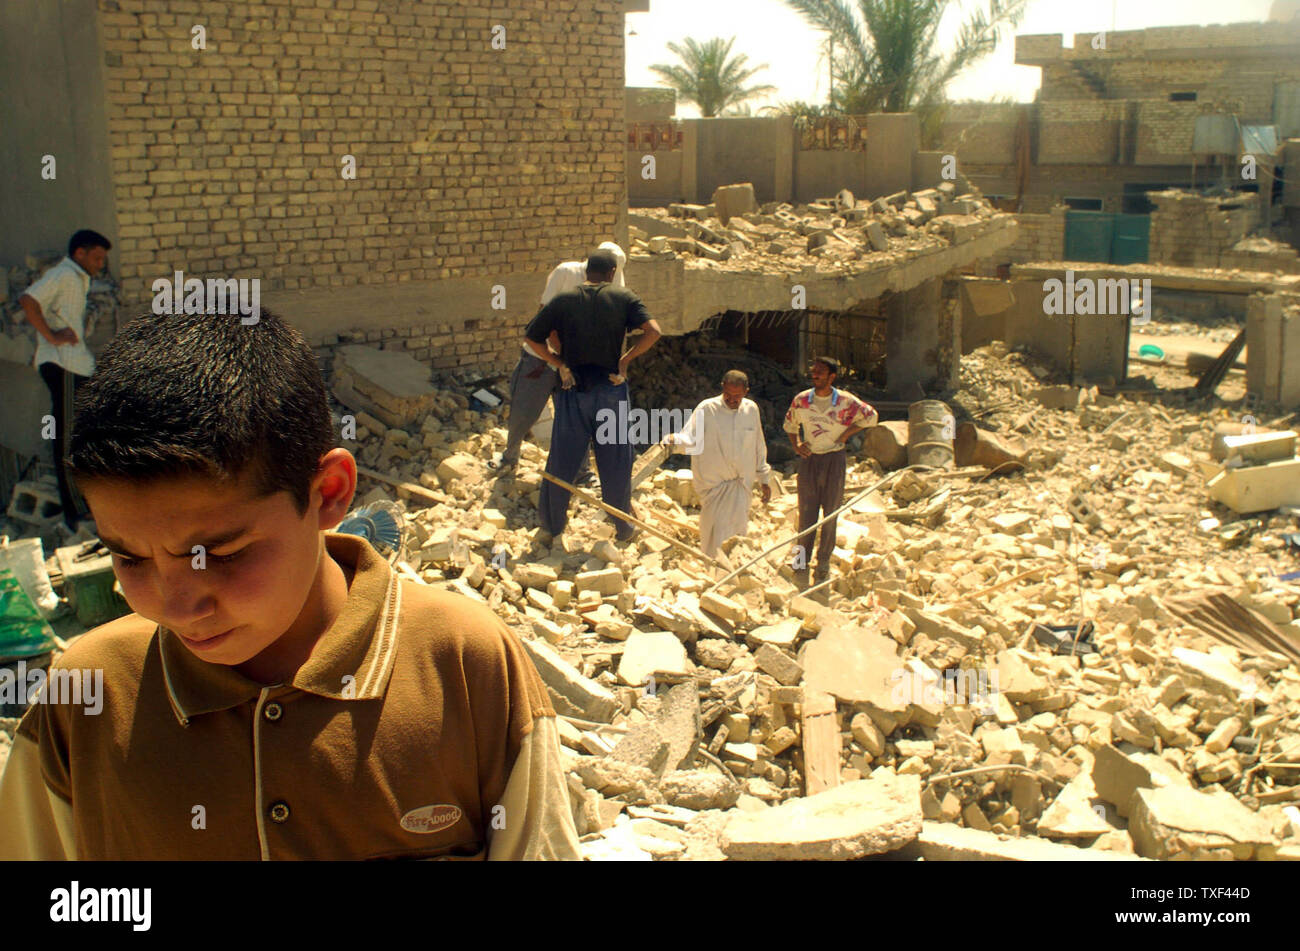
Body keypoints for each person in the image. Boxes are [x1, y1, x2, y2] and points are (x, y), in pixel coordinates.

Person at [0, 309, 580, 860]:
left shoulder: (465, 669)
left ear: (328, 493)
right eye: (127, 559)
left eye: (221, 555)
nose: (175, 606)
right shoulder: (84, 700)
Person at [525, 249, 661, 545]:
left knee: (563, 457)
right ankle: (623, 526)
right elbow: (653, 331)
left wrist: (560, 364)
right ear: (612, 272)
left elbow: (533, 337)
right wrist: (625, 360)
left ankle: (552, 525)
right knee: (615, 460)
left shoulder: (564, 300)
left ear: (586, 272)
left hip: (573, 389)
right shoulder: (624, 298)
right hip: (610, 388)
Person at [492, 241, 627, 478]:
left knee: (578, 417)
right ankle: (509, 457)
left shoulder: (610, 292)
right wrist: (563, 356)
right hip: (542, 359)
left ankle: (581, 472)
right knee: (524, 412)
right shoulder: (566, 273)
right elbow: (545, 320)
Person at [18, 229, 112, 531]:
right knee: (69, 437)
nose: (100, 264)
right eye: (96, 257)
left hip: (76, 365)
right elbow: (28, 300)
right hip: (63, 365)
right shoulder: (64, 274)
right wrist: (51, 336)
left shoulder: (77, 279)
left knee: (81, 434)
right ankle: (78, 511)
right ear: (79, 253)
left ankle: (88, 504)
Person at [782, 357, 877, 588]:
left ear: (831, 377)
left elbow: (872, 417)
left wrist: (847, 434)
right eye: (813, 372)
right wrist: (797, 445)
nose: (815, 376)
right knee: (806, 513)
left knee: (831, 513)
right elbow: (790, 426)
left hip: (834, 459)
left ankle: (822, 563)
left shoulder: (846, 401)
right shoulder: (802, 400)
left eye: (820, 373)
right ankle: (801, 562)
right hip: (810, 460)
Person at [664, 370, 772, 557]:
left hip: (741, 485)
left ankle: (735, 572)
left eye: (737, 396)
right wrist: (674, 439)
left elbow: (758, 445)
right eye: (728, 395)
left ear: (746, 391)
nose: (731, 400)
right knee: (714, 532)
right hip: (714, 487)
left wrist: (764, 478)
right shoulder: (707, 409)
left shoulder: (751, 410)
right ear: (722, 388)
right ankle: (713, 571)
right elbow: (691, 438)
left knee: (738, 531)